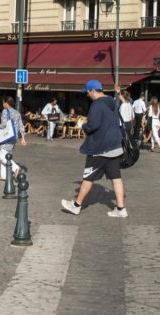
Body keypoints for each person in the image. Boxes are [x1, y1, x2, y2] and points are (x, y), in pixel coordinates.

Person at [60, 80, 127, 218]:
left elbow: (93, 126)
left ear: (93, 91)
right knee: (116, 177)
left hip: (100, 146)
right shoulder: (112, 101)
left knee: (88, 176)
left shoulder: (97, 104)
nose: (87, 95)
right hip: (115, 144)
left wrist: (83, 125)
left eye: (88, 92)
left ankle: (76, 206)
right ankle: (121, 209)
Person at [0, 96, 26, 179]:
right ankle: (4, 176)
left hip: (6, 136)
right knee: (7, 154)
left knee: (2, 155)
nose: (2, 104)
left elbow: (4, 124)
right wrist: (23, 138)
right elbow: (21, 125)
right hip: (14, 137)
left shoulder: (5, 111)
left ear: (6, 103)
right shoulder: (17, 112)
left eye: (3, 102)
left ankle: (15, 168)